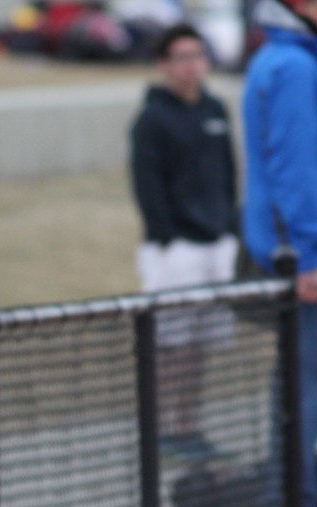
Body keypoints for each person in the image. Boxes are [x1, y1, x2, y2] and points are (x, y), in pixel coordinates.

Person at [129, 23, 238, 462]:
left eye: (199, 55)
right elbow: (148, 186)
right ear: (164, 64)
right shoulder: (153, 119)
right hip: (177, 250)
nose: (192, 64)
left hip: (217, 245)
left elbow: (229, 175)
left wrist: (229, 228)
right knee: (169, 345)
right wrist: (168, 239)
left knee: (200, 346)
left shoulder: (215, 109)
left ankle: (189, 426)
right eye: (182, 56)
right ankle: (159, 432)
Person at [241, 0, 317, 507]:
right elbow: (297, 168)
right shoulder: (293, 65)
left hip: (295, 251)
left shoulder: (282, 57)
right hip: (303, 258)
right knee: (301, 389)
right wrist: (309, 257)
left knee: (296, 386)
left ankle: (289, 504)